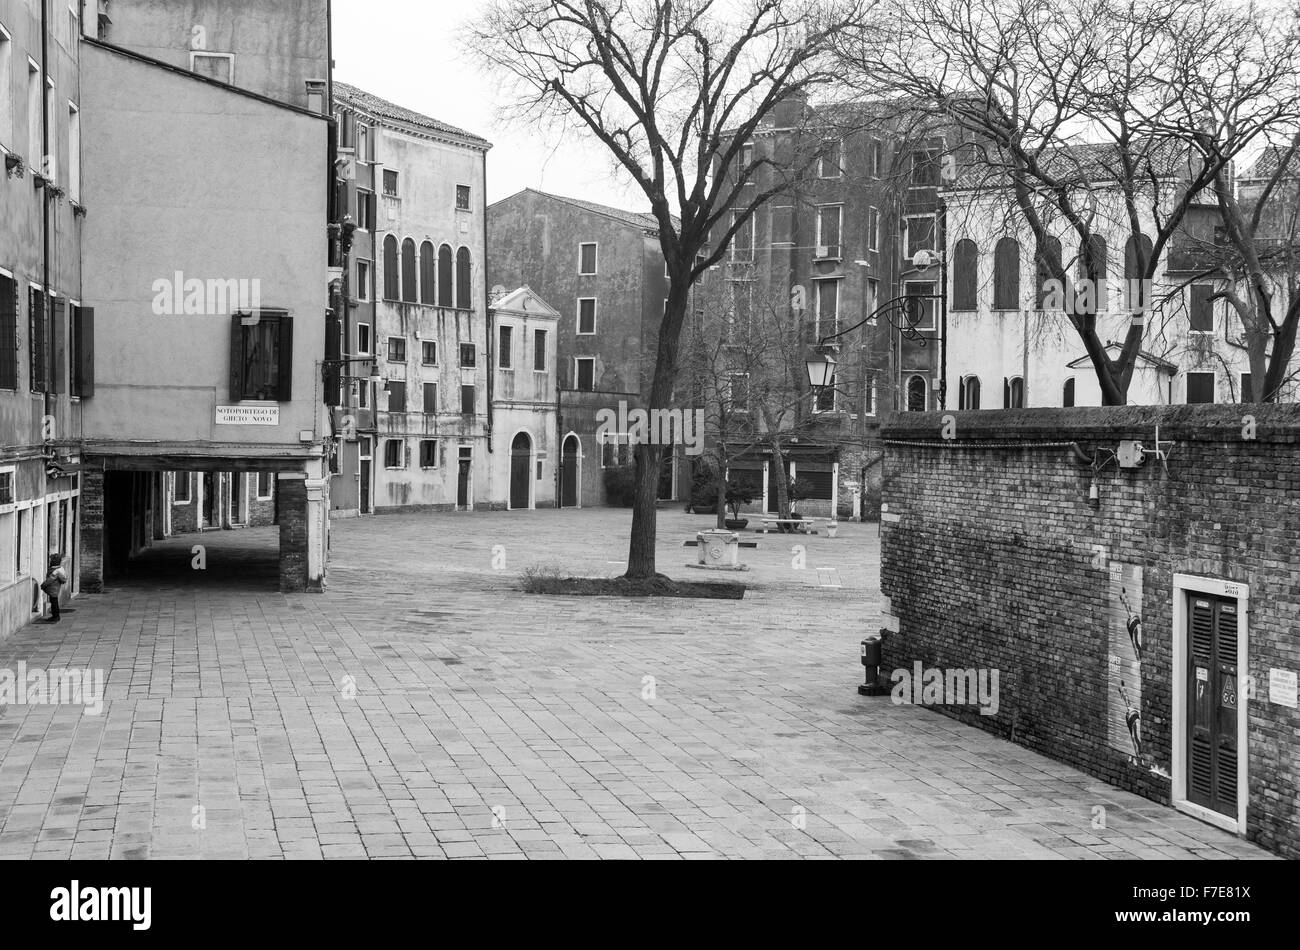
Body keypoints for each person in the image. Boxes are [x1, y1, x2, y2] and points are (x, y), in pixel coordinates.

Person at [41, 554, 67, 622]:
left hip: (53, 588)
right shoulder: (60, 569)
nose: (50, 561)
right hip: (55, 588)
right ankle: (55, 616)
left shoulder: (55, 571)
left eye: (51, 560)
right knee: (54, 602)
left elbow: (50, 579)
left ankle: (56, 617)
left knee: (54, 603)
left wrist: (43, 585)